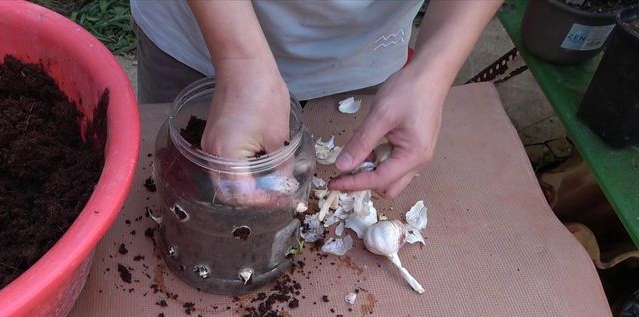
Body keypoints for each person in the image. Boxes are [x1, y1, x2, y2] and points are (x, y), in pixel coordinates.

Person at [131, 0, 503, 197]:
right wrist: (239, 59)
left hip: (363, 51)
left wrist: (432, 72)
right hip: (198, 32)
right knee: (174, 169)